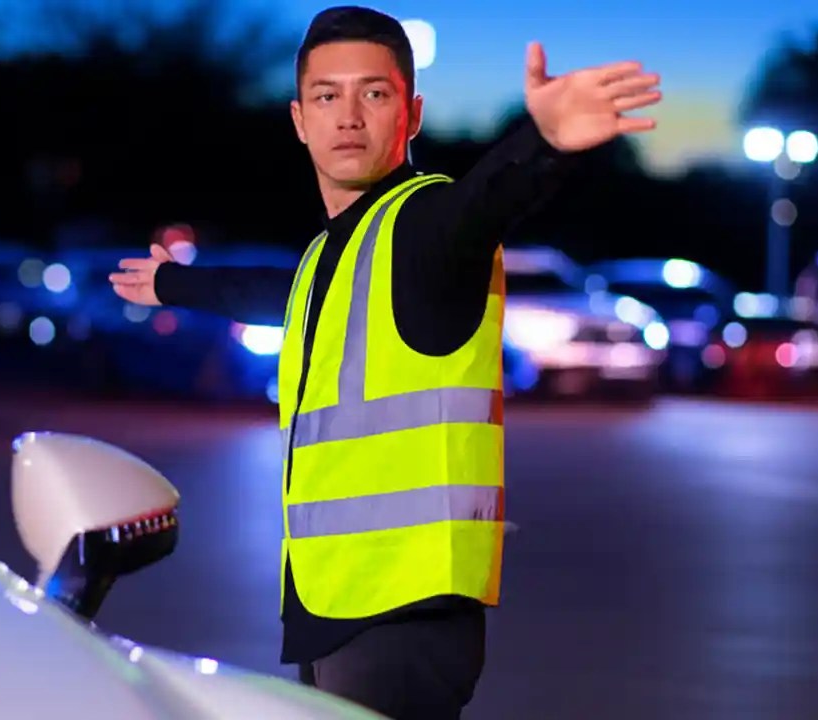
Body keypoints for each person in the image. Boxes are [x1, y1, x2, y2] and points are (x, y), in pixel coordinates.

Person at [109, 6, 662, 718]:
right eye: (326, 95)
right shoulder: (328, 258)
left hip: (404, 615)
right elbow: (266, 292)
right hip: (333, 602)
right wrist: (171, 283)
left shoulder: (424, 225)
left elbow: (479, 206)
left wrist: (545, 143)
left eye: (373, 93)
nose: (347, 116)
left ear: (412, 112)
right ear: (299, 119)